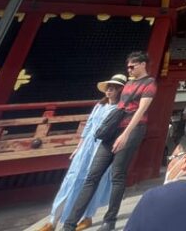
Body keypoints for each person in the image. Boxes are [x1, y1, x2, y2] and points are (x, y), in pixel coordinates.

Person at [62, 52, 157, 231]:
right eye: (128, 66)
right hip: (114, 129)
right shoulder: (128, 84)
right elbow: (118, 106)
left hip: (132, 129)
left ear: (143, 64)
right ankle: (70, 222)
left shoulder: (149, 83)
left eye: (132, 66)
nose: (129, 69)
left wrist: (126, 134)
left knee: (118, 174)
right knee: (93, 175)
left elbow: (141, 111)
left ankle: (110, 219)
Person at [39, 74, 126, 231]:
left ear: (120, 90)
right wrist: (78, 147)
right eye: (108, 88)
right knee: (71, 180)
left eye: (112, 88)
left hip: (104, 148)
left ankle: (88, 217)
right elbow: (88, 126)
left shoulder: (121, 109)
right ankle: (53, 220)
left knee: (95, 182)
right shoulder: (99, 106)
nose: (109, 91)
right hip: (87, 147)